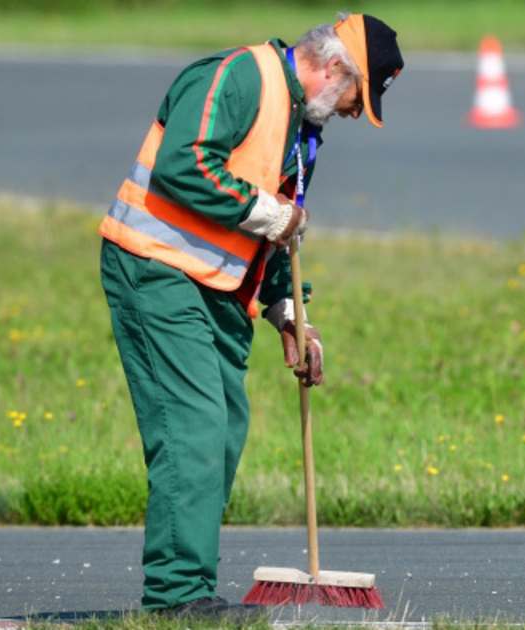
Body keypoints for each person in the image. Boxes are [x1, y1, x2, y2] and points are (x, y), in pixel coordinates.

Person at [98, 14, 403, 619]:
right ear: (333, 68)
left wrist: (290, 310)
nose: (350, 112)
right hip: (156, 270)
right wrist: (270, 215)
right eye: (354, 98)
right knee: (195, 428)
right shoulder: (239, 77)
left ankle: (186, 588)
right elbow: (183, 167)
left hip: (217, 289)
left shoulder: (302, 127)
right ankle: (177, 598)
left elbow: (276, 231)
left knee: (226, 428)